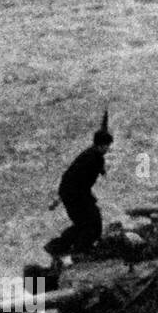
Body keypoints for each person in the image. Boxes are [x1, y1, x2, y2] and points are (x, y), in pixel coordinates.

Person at [45, 111, 113, 266]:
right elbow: (74, 179)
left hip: (75, 194)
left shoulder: (93, 155)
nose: (108, 149)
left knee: (88, 224)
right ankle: (79, 252)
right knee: (91, 225)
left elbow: (73, 177)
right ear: (101, 145)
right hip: (75, 196)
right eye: (107, 146)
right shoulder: (91, 158)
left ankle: (60, 247)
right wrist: (61, 199)